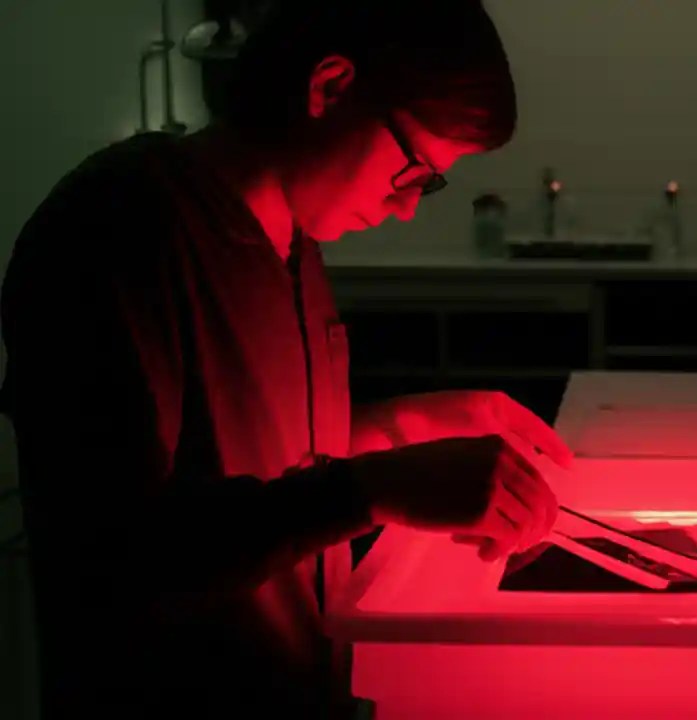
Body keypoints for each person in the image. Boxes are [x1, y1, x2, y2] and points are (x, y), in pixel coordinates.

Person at [0, 1, 568, 717]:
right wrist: (373, 488)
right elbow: (123, 552)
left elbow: (251, 471)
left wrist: (403, 430)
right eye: (414, 169)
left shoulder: (293, 243)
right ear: (330, 87)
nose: (407, 207)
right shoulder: (119, 228)